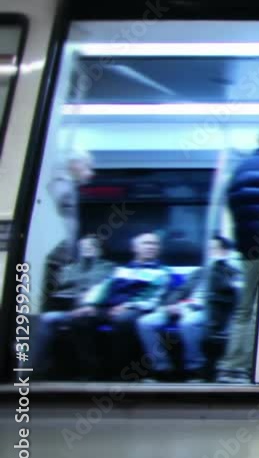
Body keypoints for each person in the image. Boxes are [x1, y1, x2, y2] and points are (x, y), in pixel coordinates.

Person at [214, 124, 259, 383]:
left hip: (246, 246)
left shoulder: (242, 167)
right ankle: (248, 366)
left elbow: (232, 206)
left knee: (244, 308)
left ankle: (229, 365)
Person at [136, 235, 241, 382]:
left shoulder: (229, 272)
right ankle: (161, 368)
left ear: (224, 252)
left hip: (206, 310)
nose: (210, 252)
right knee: (145, 322)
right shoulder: (199, 272)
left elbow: (229, 295)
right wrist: (171, 305)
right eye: (209, 249)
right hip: (183, 306)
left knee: (188, 322)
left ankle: (195, 369)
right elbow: (180, 290)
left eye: (214, 249)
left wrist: (218, 265)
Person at [68, 232, 172, 379]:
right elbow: (103, 288)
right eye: (146, 243)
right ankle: (91, 370)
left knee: (123, 320)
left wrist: (128, 306)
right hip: (109, 307)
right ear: (135, 248)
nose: (150, 247)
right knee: (80, 320)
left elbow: (153, 297)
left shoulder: (162, 272)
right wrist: (90, 304)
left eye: (154, 244)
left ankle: (119, 372)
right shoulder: (122, 270)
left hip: (138, 309)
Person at [33, 235, 115, 378]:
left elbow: (108, 290)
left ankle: (90, 368)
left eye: (91, 246)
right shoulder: (70, 269)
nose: (87, 249)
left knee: (83, 319)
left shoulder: (108, 267)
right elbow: (62, 290)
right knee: (47, 318)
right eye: (83, 247)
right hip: (71, 310)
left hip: (97, 310)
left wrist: (90, 302)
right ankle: (37, 369)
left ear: (99, 250)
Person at [42, 148, 95, 309]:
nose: (90, 173)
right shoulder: (61, 186)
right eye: (87, 166)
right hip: (54, 255)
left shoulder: (69, 187)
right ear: (74, 164)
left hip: (61, 257)